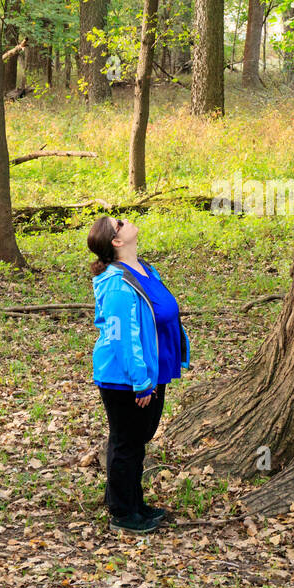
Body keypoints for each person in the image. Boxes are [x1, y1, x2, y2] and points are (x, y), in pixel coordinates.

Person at [86, 215, 191, 533]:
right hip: (126, 377)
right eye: (119, 223)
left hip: (150, 370)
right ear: (116, 242)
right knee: (126, 442)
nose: (126, 221)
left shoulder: (143, 269)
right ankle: (121, 514)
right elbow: (122, 336)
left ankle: (134, 503)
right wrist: (140, 381)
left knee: (137, 440)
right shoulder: (118, 282)